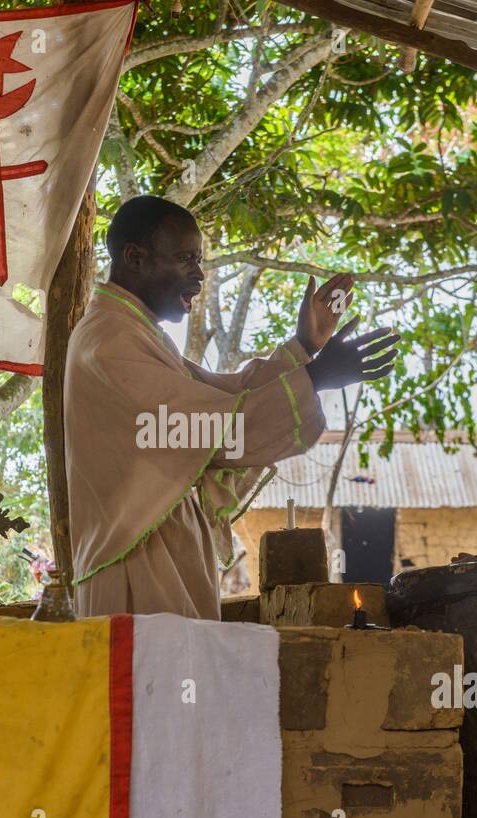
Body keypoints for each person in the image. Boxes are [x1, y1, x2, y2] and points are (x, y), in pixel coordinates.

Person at [64, 195, 398, 618]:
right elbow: (214, 428)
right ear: (135, 258)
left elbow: (223, 398)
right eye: (185, 259)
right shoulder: (110, 341)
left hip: (156, 562)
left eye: (198, 260)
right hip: (136, 572)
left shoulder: (130, 331)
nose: (198, 275)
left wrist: (305, 347)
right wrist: (314, 377)